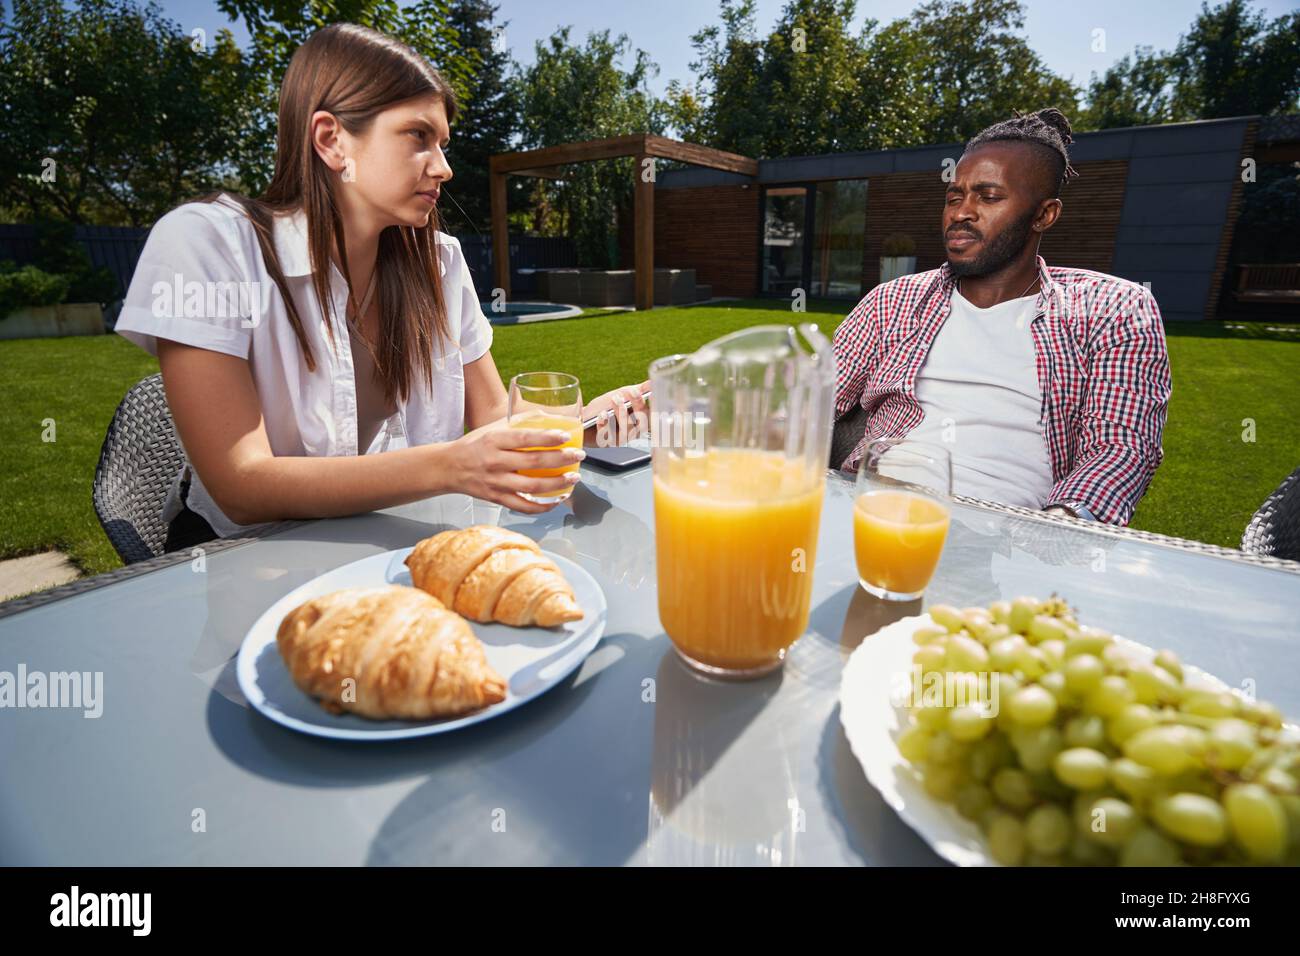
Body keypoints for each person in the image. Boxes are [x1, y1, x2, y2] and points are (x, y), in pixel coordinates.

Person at [115, 23, 649, 545]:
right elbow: (241, 485)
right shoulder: (209, 245)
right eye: (419, 136)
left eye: (442, 143)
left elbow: (491, 421)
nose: (444, 168)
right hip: (245, 558)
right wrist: (450, 467)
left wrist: (591, 425)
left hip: (392, 544)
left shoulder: (439, 263)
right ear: (332, 140)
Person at [832, 108, 1171, 525]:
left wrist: (1061, 528)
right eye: (955, 197)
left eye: (988, 197)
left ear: (1044, 215)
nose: (961, 212)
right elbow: (811, 398)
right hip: (873, 510)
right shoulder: (894, 300)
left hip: (1014, 535)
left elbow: (1120, 449)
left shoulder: (1111, 308)